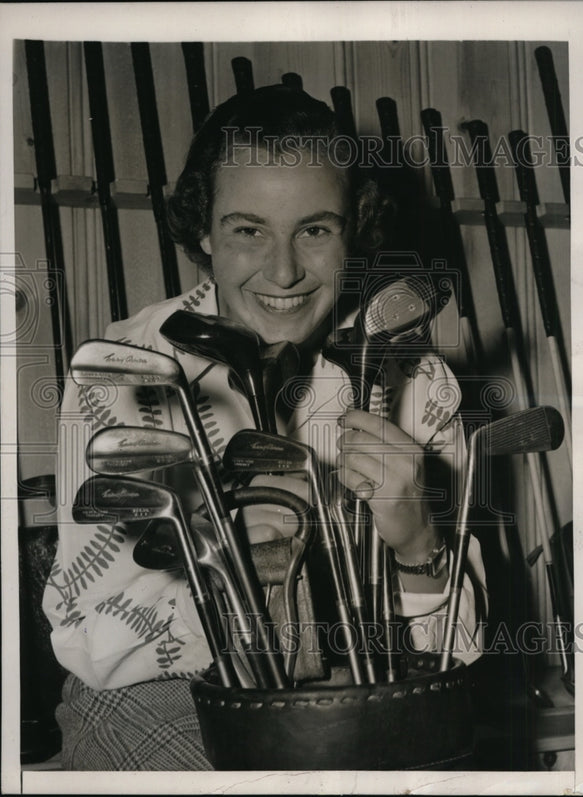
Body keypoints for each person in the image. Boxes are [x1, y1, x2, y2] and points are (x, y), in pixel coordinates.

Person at [43, 84, 487, 770]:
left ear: (355, 230)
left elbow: (455, 651)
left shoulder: (413, 381)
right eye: (248, 230)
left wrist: (418, 545)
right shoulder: (129, 373)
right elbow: (90, 641)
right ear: (202, 229)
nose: (284, 271)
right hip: (162, 696)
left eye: (315, 229)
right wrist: (224, 579)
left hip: (364, 691)